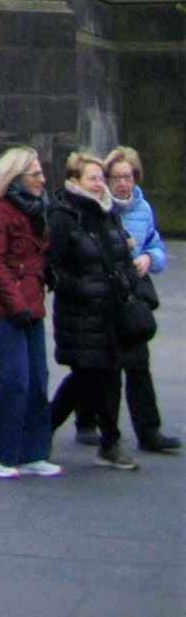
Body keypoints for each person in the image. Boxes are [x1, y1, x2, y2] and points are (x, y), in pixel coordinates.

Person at [48, 150, 145, 471]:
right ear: (74, 180)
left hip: (111, 312)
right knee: (86, 375)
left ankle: (109, 442)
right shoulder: (64, 216)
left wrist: (128, 283)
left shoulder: (108, 213)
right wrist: (87, 290)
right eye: (92, 178)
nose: (98, 184)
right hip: (81, 315)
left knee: (108, 375)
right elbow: (53, 270)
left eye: (101, 178)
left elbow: (122, 256)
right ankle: (45, 427)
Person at [0, 146, 58, 478]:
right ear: (17, 177)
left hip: (32, 305)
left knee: (38, 380)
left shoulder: (35, 211)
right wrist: (16, 305)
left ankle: (32, 451)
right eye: (35, 173)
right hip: (4, 310)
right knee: (14, 382)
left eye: (40, 173)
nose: (42, 179)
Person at [106, 145, 178, 454]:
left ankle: (149, 431)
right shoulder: (100, 208)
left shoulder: (143, 209)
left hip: (133, 293)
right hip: (106, 293)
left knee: (138, 362)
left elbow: (158, 248)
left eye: (129, 176)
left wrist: (149, 257)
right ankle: (85, 421)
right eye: (117, 177)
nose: (123, 183)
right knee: (99, 367)